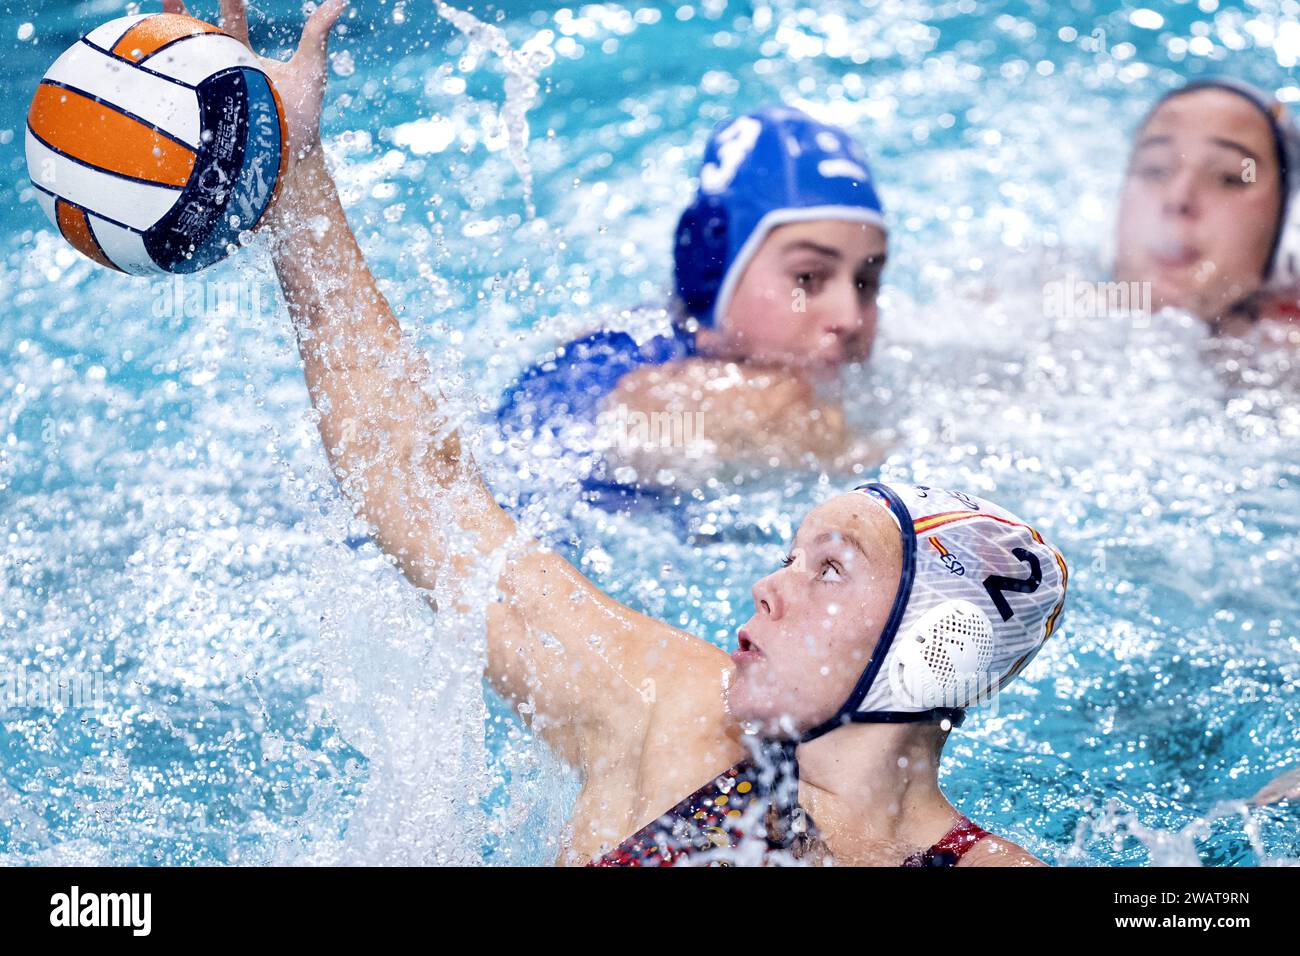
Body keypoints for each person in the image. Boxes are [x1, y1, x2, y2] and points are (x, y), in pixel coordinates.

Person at [167, 0, 1068, 866]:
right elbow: (417, 488)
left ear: (928, 647)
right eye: (794, 556)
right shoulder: (668, 716)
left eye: (830, 567)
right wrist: (297, 187)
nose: (767, 586)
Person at [495, 104, 890, 499]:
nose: (849, 318)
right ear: (712, 271)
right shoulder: (618, 365)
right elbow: (635, 422)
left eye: (866, 282)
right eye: (808, 278)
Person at [1113, 77, 1300, 332]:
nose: (1177, 198)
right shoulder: (1047, 299)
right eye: (1155, 170)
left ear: (1284, 222)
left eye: (1228, 178)